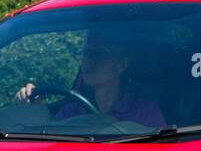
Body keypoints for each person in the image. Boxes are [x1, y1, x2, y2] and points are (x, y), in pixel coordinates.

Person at [14, 30, 166, 128]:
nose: (90, 61)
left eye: (100, 54)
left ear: (122, 64)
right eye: (87, 53)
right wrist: (32, 109)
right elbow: (46, 143)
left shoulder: (145, 111)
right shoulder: (73, 110)